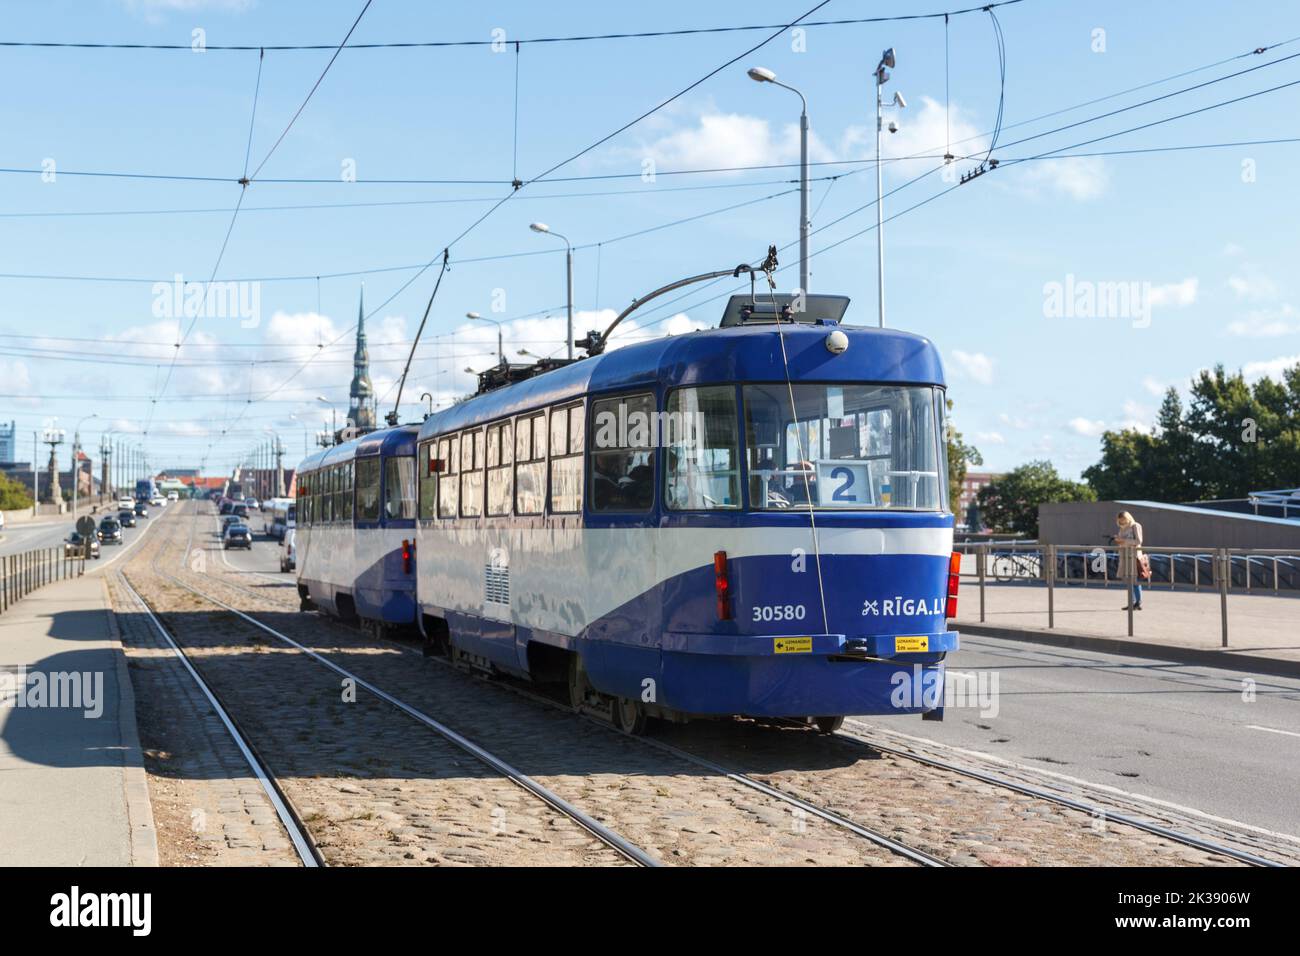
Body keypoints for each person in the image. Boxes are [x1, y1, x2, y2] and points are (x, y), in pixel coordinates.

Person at [1113, 511, 1146, 610]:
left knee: (1135, 580)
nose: (1122, 523)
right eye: (1120, 521)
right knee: (1128, 580)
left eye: (1123, 520)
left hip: (1134, 556)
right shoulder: (1122, 528)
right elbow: (1122, 542)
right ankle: (1132, 602)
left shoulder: (1135, 525)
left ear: (1128, 518)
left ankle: (1138, 602)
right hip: (1125, 556)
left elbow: (1139, 541)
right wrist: (1118, 540)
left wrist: (1124, 541)